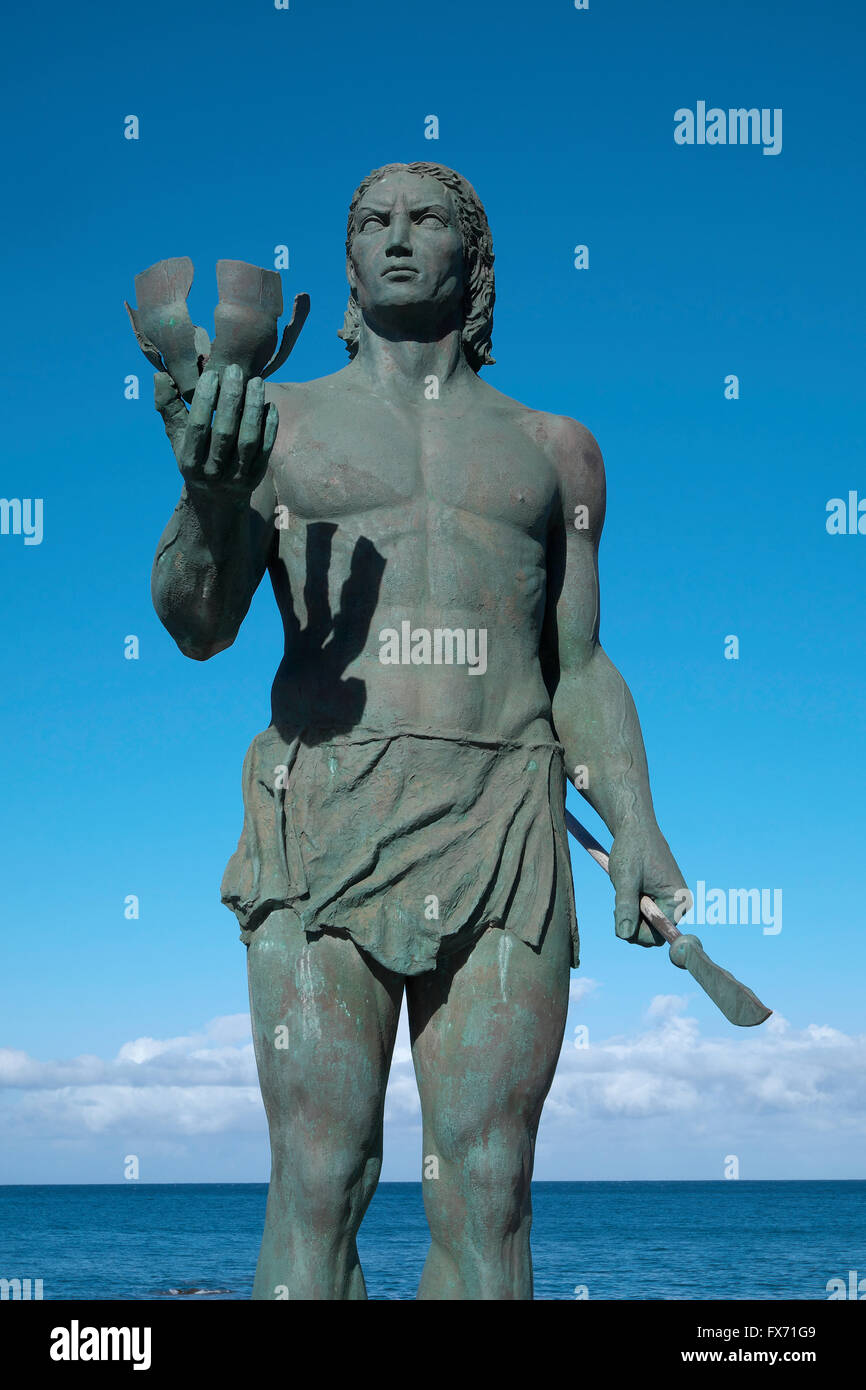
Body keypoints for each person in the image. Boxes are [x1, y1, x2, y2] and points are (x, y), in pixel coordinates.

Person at [151, 161, 689, 1300]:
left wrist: (637, 823)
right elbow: (197, 624)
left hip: (506, 826)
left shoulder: (557, 449)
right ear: (345, 260)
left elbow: (578, 665)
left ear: (473, 256)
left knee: (488, 1188)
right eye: (370, 222)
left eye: (427, 219)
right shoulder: (272, 417)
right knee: (318, 1172)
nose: (397, 238)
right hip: (323, 813)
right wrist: (208, 500)